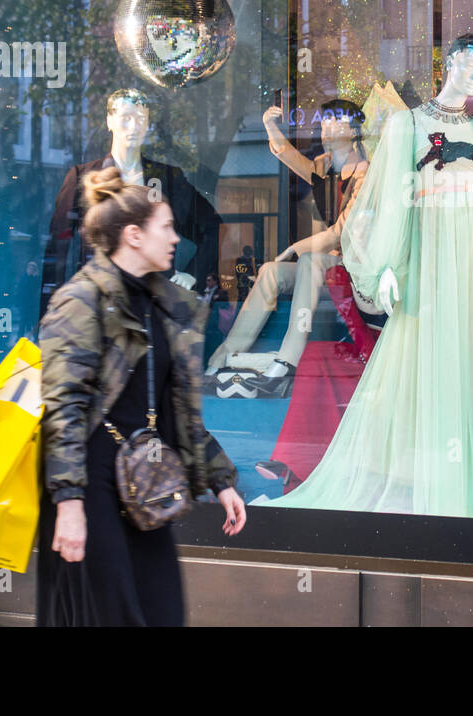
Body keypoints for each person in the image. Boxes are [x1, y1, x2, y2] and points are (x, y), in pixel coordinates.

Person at [273, 35, 473, 518]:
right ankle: (421, 485)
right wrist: (386, 264)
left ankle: (468, 489)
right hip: (431, 246)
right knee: (424, 353)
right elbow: (385, 202)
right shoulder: (408, 124)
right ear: (446, 64)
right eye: (467, 64)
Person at [37, 166, 246, 626]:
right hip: (91, 483)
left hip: (145, 481)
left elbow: (178, 409)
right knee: (110, 614)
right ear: (133, 235)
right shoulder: (80, 300)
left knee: (162, 609)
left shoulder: (164, 305)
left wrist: (221, 479)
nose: (175, 238)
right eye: (166, 227)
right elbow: (62, 412)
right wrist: (68, 506)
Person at [205, 98, 371, 398]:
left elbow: (341, 233)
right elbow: (288, 156)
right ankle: (225, 354)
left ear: (354, 130)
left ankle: (287, 361)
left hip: (357, 267)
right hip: (327, 266)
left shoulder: (365, 173)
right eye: (324, 121)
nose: (327, 127)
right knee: (270, 271)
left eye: (337, 121)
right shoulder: (322, 166)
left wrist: (294, 248)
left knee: (308, 262)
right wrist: (270, 126)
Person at [41, 88, 221, 317]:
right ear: (110, 121)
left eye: (141, 119)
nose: (134, 126)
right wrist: (50, 310)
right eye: (126, 118)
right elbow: (58, 248)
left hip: (154, 305)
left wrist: (191, 273)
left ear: (147, 125)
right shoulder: (84, 178)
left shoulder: (167, 178)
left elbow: (212, 226)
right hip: (99, 304)